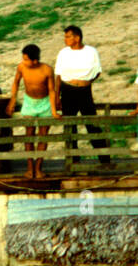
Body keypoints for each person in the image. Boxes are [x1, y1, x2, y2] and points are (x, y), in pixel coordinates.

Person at [6, 44, 58, 179]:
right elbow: (16, 83)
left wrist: (54, 110)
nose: (24, 62)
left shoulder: (47, 70)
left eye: (26, 59)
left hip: (45, 102)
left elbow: (52, 90)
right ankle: (30, 168)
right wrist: (12, 100)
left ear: (35, 60)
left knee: (43, 136)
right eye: (23, 59)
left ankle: (38, 168)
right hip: (29, 102)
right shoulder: (21, 67)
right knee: (29, 135)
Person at [55, 25, 105, 162]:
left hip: (84, 91)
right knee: (70, 126)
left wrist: (86, 81)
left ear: (77, 37)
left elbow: (98, 71)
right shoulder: (63, 53)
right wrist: (57, 97)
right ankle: (73, 161)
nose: (65, 39)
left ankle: (104, 158)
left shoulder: (91, 51)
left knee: (92, 124)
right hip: (67, 90)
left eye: (68, 36)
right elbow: (58, 76)